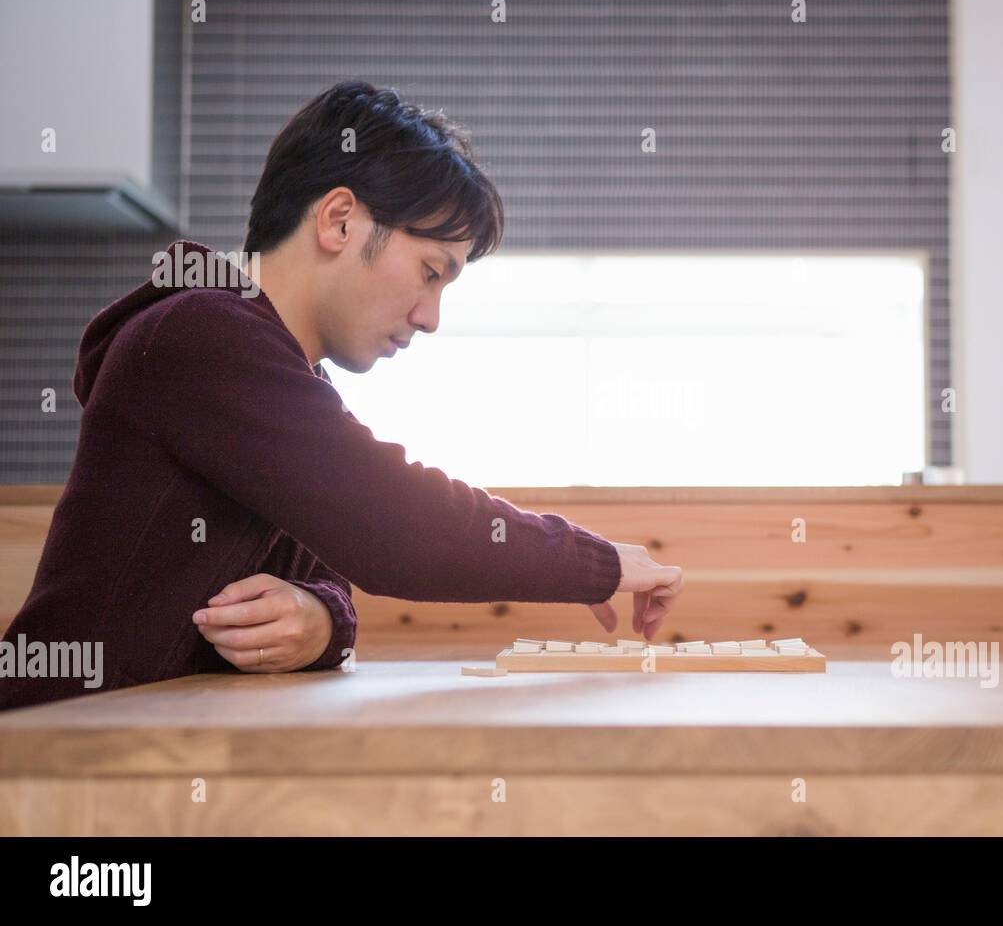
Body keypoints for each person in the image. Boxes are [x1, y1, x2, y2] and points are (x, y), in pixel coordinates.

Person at [0, 81, 683, 712]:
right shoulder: (202, 336)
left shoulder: (275, 372)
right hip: (48, 755)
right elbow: (390, 526)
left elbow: (333, 568)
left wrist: (321, 620)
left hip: (134, 747)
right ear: (339, 221)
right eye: (429, 272)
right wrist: (597, 562)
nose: (430, 317)